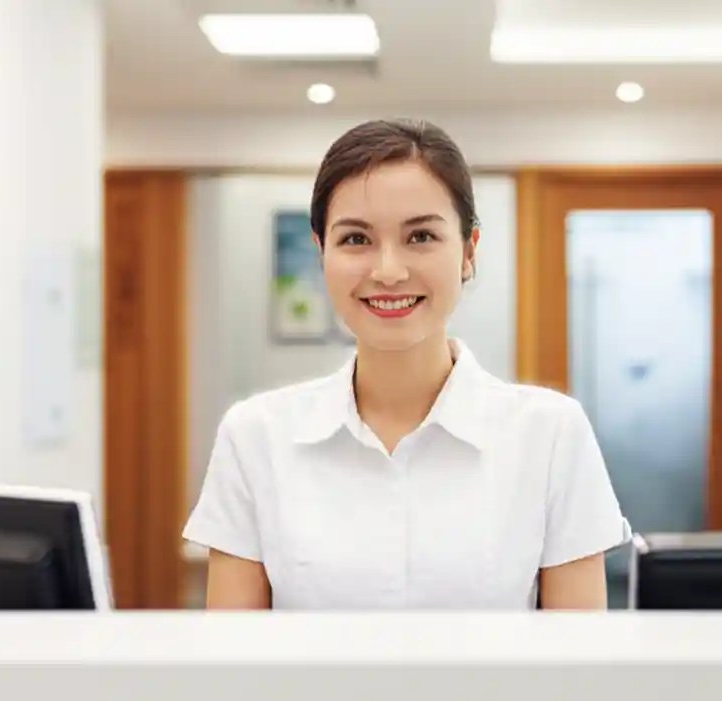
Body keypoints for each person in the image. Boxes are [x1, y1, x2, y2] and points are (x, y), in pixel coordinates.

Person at [183, 118, 630, 610]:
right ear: (321, 253)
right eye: (356, 239)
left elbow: (579, 669)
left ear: (468, 251)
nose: (389, 271)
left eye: (420, 237)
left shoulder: (550, 434)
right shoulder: (255, 437)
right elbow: (235, 669)